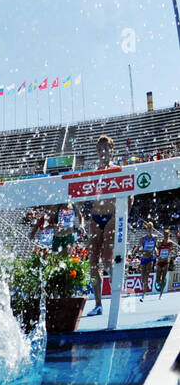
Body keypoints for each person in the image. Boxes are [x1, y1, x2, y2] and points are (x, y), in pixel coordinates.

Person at [84, 135, 118, 318]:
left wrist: (123, 214)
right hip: (95, 217)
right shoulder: (94, 172)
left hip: (111, 217)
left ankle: (116, 297)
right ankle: (97, 304)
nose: (102, 152)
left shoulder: (117, 170)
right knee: (91, 264)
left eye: (106, 149)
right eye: (99, 150)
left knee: (107, 261)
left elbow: (130, 195)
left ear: (111, 150)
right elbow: (84, 194)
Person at [154, 229, 174, 300]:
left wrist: (171, 251)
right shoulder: (160, 242)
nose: (166, 235)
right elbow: (156, 248)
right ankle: (161, 278)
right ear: (163, 235)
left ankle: (161, 295)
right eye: (165, 234)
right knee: (157, 280)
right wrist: (156, 252)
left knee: (162, 280)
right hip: (159, 262)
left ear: (169, 235)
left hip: (166, 262)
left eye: (167, 234)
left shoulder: (170, 243)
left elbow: (172, 250)